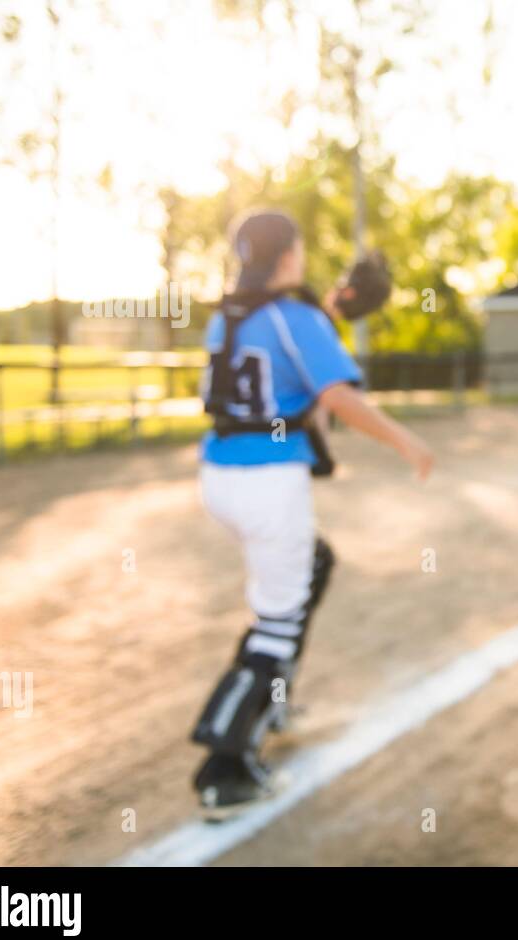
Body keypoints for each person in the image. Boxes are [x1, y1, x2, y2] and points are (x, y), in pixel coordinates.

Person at [191, 209, 433, 817]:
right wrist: (405, 441)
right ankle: (225, 768)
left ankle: (271, 693)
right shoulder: (291, 315)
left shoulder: (227, 317)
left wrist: (333, 311)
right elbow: (333, 395)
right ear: (290, 257)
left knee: (313, 566)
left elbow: (276, 366)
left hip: (220, 476)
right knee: (277, 619)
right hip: (267, 484)